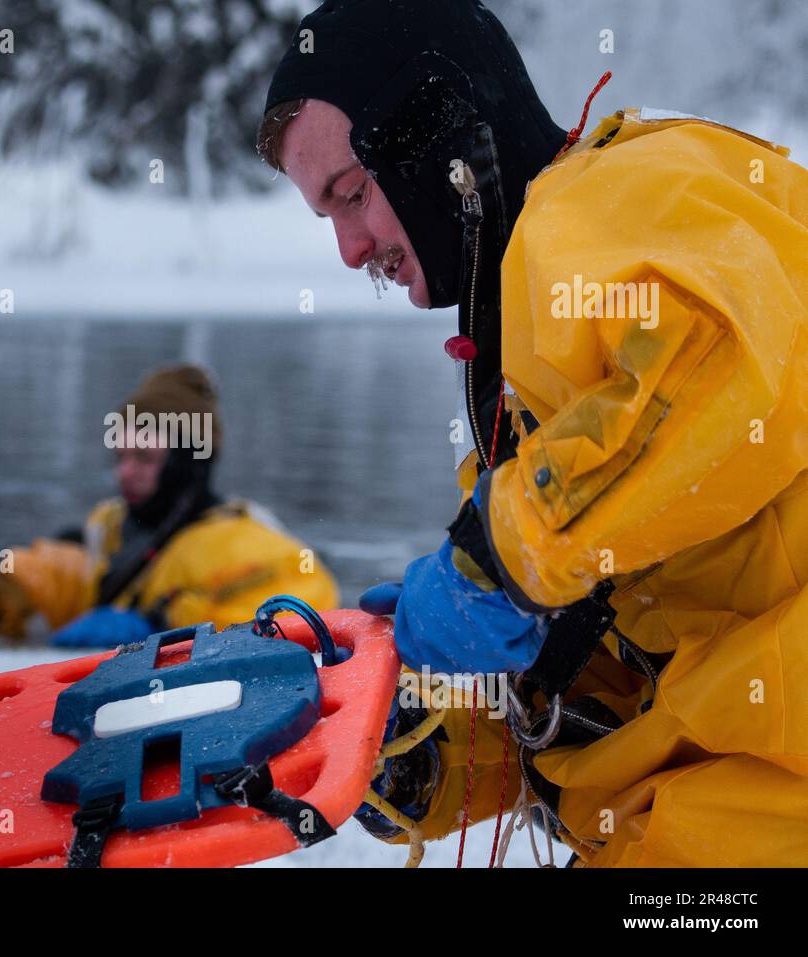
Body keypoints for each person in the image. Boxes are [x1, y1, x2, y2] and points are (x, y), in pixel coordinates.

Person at [259, 0, 808, 865]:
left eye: (353, 195)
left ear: (433, 135)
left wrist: (501, 558)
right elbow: (606, 671)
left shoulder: (619, 197)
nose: (348, 249)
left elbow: (717, 362)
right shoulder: (533, 392)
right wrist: (419, 746)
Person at [0, 364, 339, 646]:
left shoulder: (243, 542)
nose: (125, 471)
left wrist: (168, 627)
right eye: (120, 455)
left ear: (189, 460)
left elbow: (308, 613)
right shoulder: (115, 527)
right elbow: (77, 581)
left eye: (145, 456)